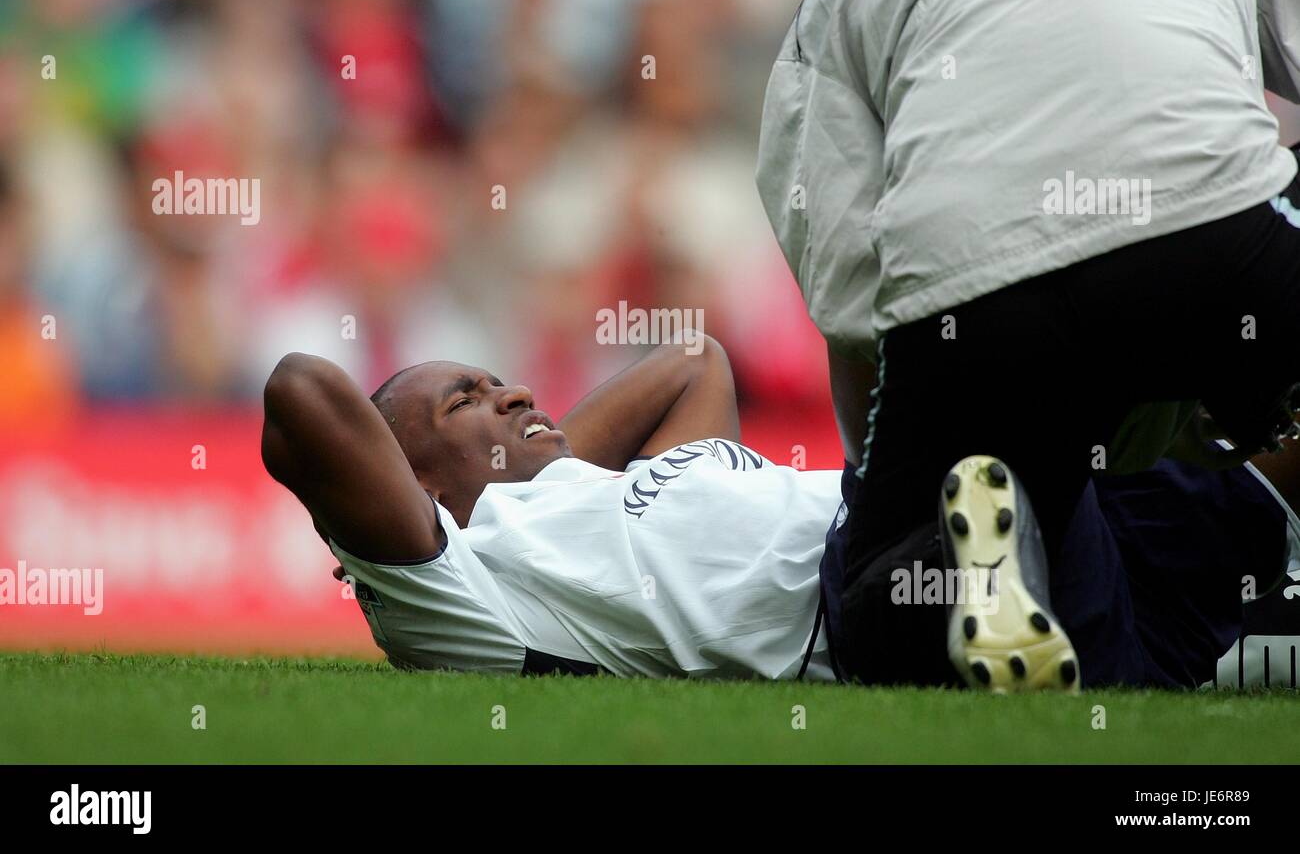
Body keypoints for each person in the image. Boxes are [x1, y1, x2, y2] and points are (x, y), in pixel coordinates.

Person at [756, 0, 1300, 689]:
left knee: (875, 601)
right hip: (1218, 235)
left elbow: (852, 303)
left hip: (983, 304)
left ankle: (960, 559)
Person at [261, 336, 1299, 688]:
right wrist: (418, 509)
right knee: (994, 440)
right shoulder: (464, 587)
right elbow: (303, 391)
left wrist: (540, 449)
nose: (513, 393)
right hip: (871, 594)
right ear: (416, 482)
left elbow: (692, 360)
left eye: (499, 377)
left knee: (1259, 491)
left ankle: (1013, 574)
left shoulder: (603, 489)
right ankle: (992, 561)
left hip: (1033, 566)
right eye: (468, 399)